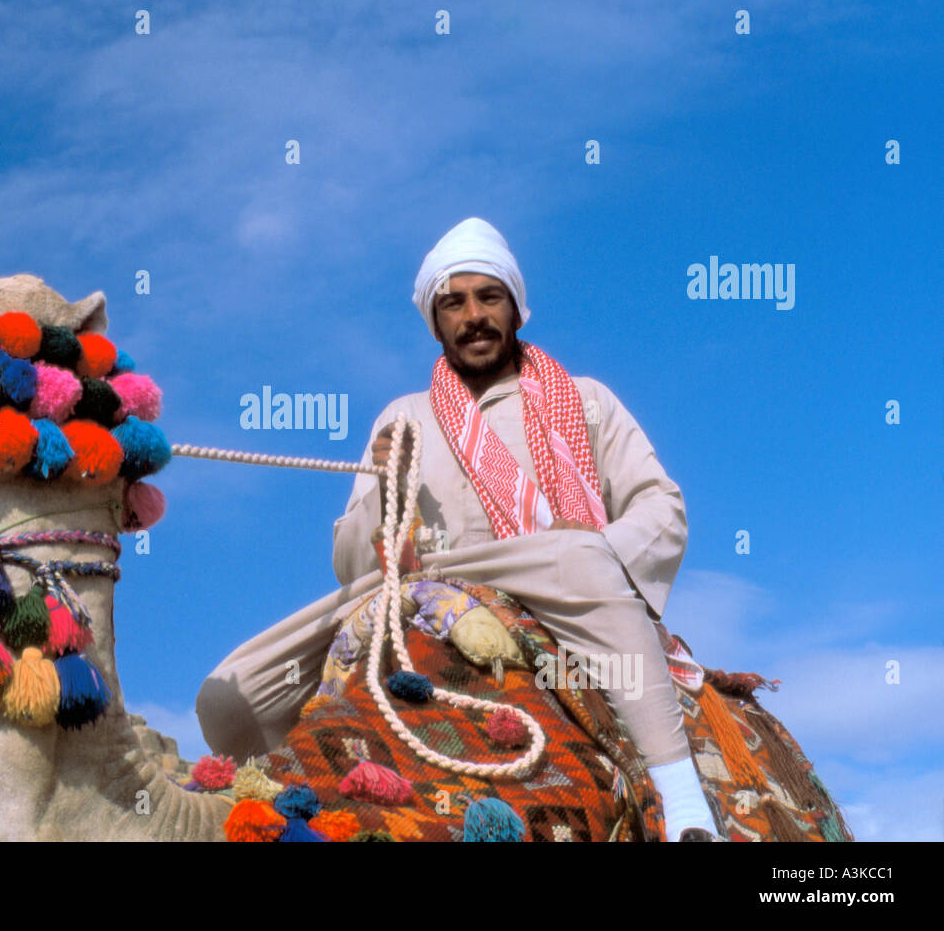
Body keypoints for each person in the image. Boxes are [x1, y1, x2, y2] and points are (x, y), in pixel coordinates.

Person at [196, 217, 721, 841]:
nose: (473, 315)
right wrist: (385, 489)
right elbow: (351, 564)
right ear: (437, 321)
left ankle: (683, 797)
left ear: (516, 308)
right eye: (454, 303)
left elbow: (660, 507)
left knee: (578, 559)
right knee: (228, 696)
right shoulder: (404, 417)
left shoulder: (586, 400)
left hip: (557, 573)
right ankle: (290, 803)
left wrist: (596, 551)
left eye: (488, 297)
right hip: (427, 582)